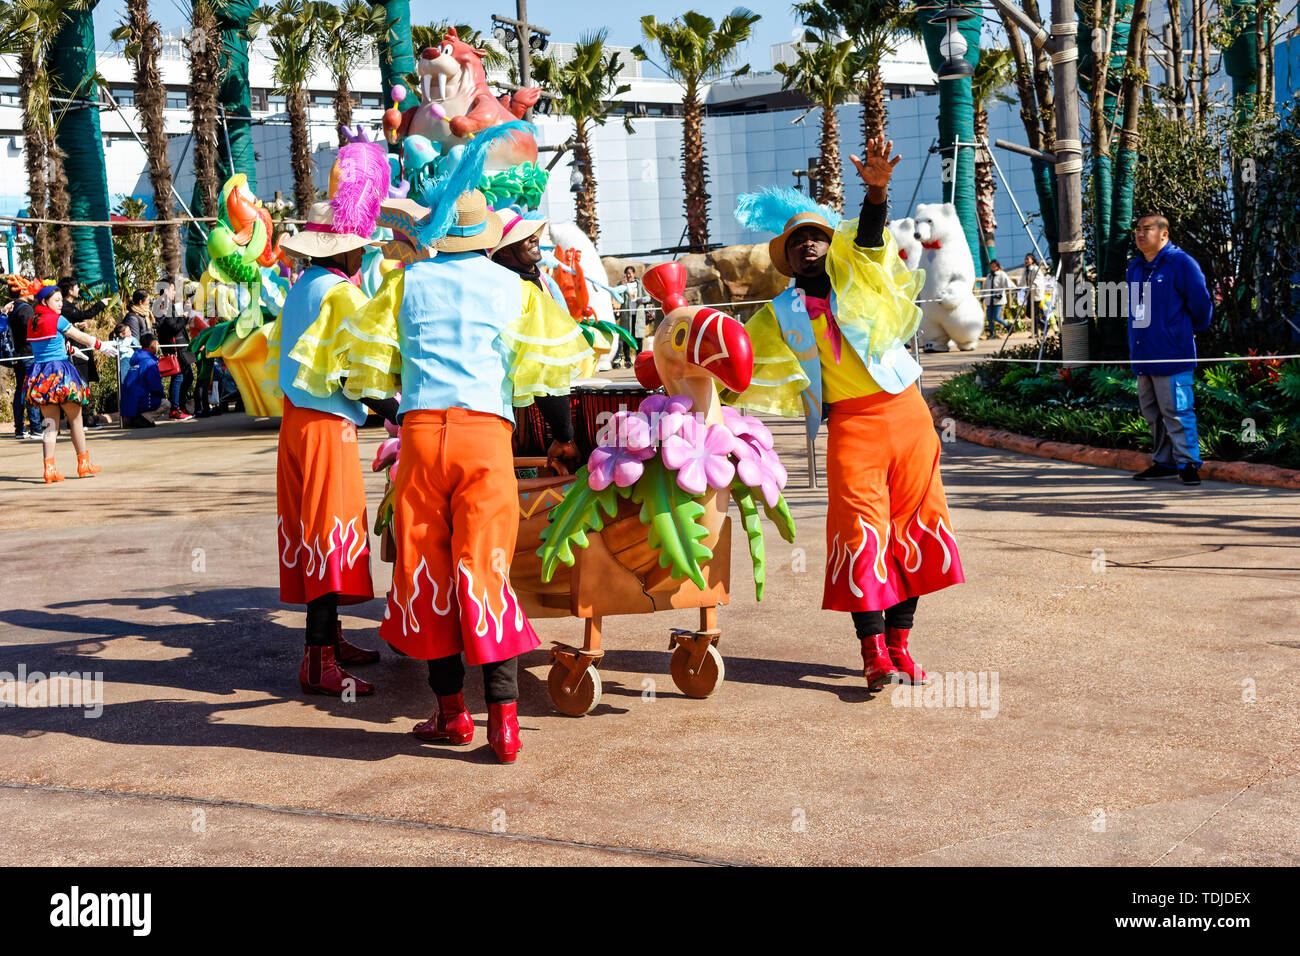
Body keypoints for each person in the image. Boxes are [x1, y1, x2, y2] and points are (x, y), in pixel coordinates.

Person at [290, 162, 592, 762]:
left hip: (424, 437)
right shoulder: (516, 290)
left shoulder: (406, 284)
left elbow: (364, 358)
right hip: (486, 439)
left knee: (427, 576)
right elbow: (552, 378)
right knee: (486, 575)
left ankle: (451, 714)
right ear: (485, 237)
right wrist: (563, 439)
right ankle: (503, 726)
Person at [731, 135, 965, 690]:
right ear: (786, 258)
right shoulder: (776, 314)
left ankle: (902, 646)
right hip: (852, 428)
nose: (808, 246)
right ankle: (871, 652)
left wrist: (877, 192)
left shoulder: (857, 274)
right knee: (862, 535)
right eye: (797, 241)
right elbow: (735, 363)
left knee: (911, 531)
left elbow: (866, 237)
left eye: (816, 236)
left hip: (909, 418)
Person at [268, 196, 384, 700]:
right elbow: (357, 367)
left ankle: (331, 640)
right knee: (328, 533)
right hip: (326, 425)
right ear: (343, 252)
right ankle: (318, 662)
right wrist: (394, 408)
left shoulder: (302, 288)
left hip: (297, 421)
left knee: (313, 529)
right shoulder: (340, 293)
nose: (363, 257)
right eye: (360, 248)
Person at [1127, 213, 1213, 486]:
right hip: (1143, 354)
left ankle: (1188, 464)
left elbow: (1201, 305)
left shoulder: (1181, 263)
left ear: (1164, 234)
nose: (1140, 234)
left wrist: (1184, 332)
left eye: (1147, 229)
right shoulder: (1135, 267)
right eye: (1138, 229)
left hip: (1172, 354)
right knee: (1152, 413)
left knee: (1177, 411)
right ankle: (1163, 461)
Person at [490, 212, 582, 463]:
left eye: (532, 233)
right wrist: (564, 436)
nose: (533, 238)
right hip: (506, 415)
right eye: (522, 237)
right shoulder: (509, 289)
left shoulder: (543, 281)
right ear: (504, 253)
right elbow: (541, 367)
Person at [24, 284, 116, 481]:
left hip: (41, 376)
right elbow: (80, 336)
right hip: (60, 374)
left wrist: (71, 350)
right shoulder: (58, 319)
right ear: (44, 301)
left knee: (49, 424)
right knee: (76, 420)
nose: (60, 304)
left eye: (61, 300)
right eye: (56, 300)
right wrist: (101, 345)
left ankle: (49, 468)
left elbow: (48, 345)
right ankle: (83, 463)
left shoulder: (33, 321)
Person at [153, 284, 195, 420]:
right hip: (174, 348)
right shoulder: (163, 306)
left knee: (188, 377)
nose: (175, 292)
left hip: (181, 346)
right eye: (172, 289)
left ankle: (180, 406)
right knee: (178, 377)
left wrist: (184, 313)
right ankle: (174, 409)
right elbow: (174, 327)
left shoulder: (171, 305)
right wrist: (184, 316)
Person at [6, 285, 42, 438]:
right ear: (22, 291)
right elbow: (34, 329)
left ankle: (19, 428)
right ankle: (36, 427)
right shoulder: (26, 309)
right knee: (31, 388)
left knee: (20, 390)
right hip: (28, 354)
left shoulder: (11, 307)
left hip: (18, 355)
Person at [120, 331, 165, 428]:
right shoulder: (150, 362)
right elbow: (155, 385)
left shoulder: (137, 360)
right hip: (141, 401)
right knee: (166, 404)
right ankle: (143, 418)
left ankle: (137, 418)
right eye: (157, 344)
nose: (158, 346)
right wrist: (162, 394)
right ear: (152, 345)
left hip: (129, 403)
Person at [612, 266, 649, 366]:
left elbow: (648, 297)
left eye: (630, 273)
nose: (628, 275)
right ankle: (627, 360)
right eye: (627, 273)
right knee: (626, 337)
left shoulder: (640, 284)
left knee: (638, 337)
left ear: (634, 273)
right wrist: (622, 287)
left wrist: (642, 300)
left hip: (638, 315)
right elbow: (619, 298)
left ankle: (639, 359)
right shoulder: (621, 285)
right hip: (626, 315)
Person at [982, 259, 1012, 337]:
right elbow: (985, 287)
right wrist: (983, 295)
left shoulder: (1002, 274)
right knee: (989, 317)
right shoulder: (989, 276)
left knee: (996, 317)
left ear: (997, 267)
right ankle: (992, 333)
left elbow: (1007, 283)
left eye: (994, 266)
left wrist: (1016, 288)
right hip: (990, 300)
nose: (992, 267)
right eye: (991, 266)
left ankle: (1008, 326)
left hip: (998, 300)